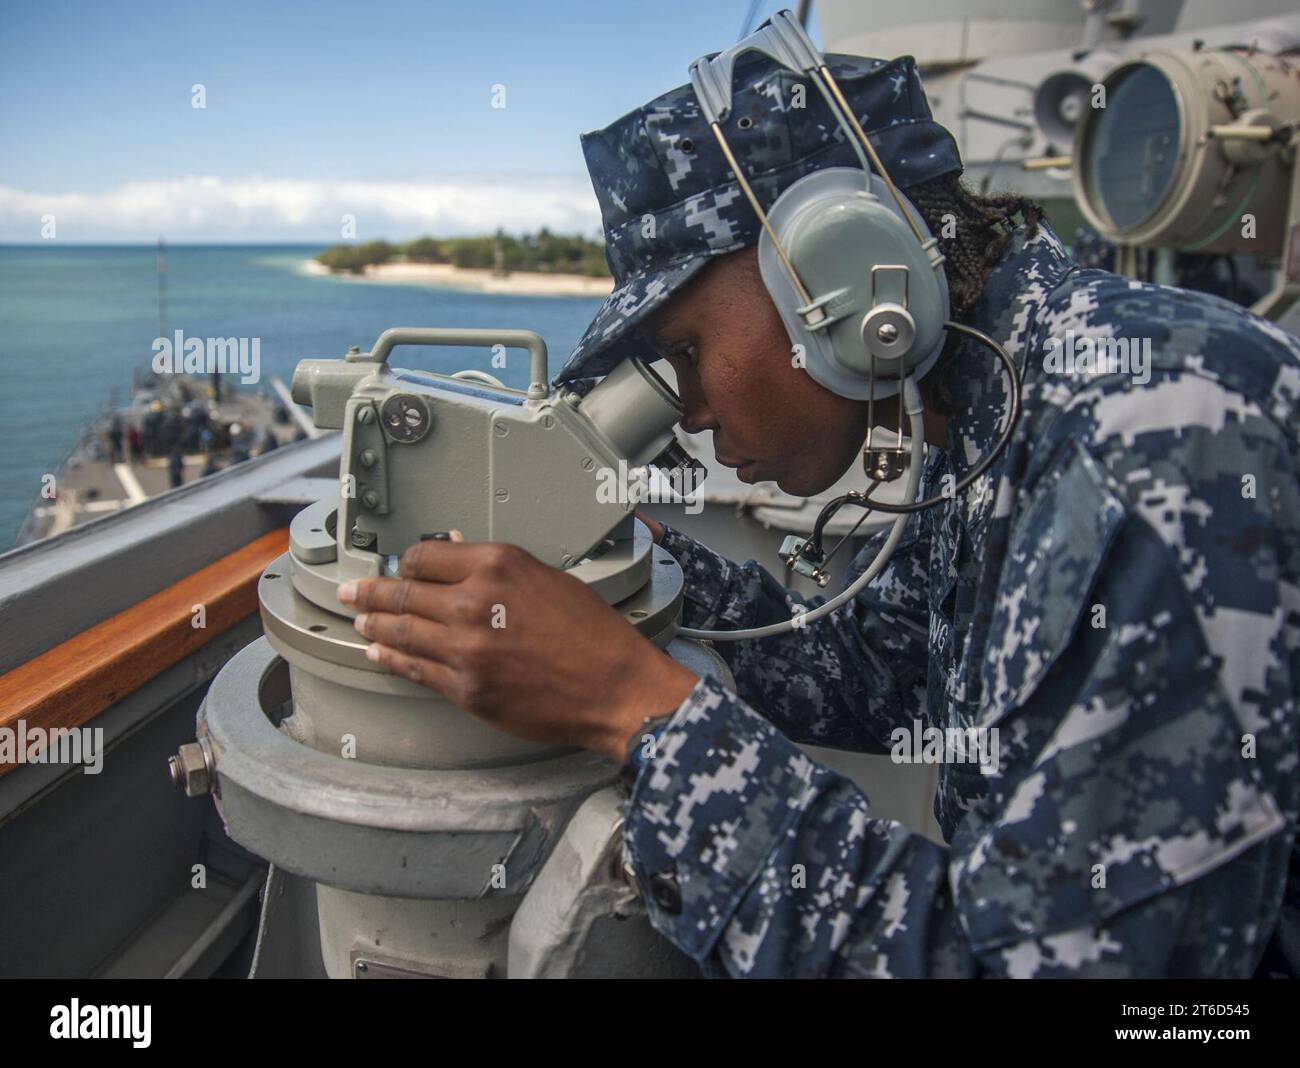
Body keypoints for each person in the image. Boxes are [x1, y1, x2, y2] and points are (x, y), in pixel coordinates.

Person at [336, 39, 1299, 977]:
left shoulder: (1152, 437)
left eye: (683, 351)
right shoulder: (998, 406)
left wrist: (637, 711)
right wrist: (627, 570)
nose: (693, 415)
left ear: (836, 271)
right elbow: (885, 670)